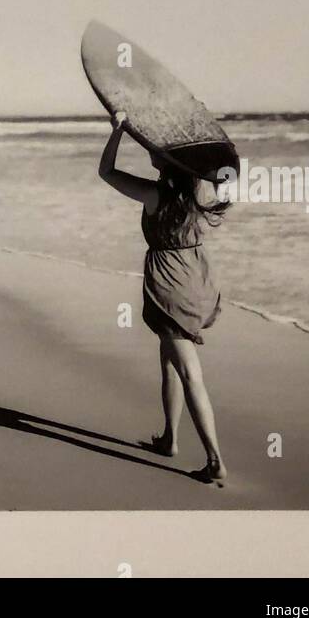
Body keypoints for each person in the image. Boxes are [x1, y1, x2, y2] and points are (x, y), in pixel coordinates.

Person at [99, 110, 231, 486]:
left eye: (157, 149)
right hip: (200, 276)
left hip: (171, 282)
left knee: (189, 372)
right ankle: (170, 438)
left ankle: (215, 460)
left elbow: (106, 172)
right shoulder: (198, 191)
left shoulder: (156, 193)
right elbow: (230, 178)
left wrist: (118, 131)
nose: (152, 149)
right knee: (169, 359)